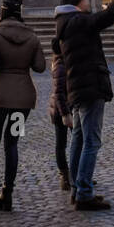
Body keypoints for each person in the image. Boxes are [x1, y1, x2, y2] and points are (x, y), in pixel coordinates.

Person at [56, 0, 114, 211]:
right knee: (91, 141)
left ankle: (79, 188)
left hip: (77, 89)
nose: (89, 5)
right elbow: (108, 16)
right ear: (77, 5)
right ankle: (84, 193)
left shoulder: (66, 25)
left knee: (79, 139)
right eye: (85, 2)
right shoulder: (78, 22)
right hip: (89, 87)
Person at [0, 0, 46, 211]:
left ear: (3, 11)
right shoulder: (32, 36)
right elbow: (40, 66)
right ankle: (8, 191)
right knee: (12, 143)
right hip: (23, 100)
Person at [48, 23, 75, 191]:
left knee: (77, 141)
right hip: (61, 111)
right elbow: (59, 93)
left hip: (66, 108)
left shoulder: (62, 63)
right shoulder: (60, 65)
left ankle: (78, 174)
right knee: (61, 144)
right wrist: (65, 113)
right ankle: (65, 176)